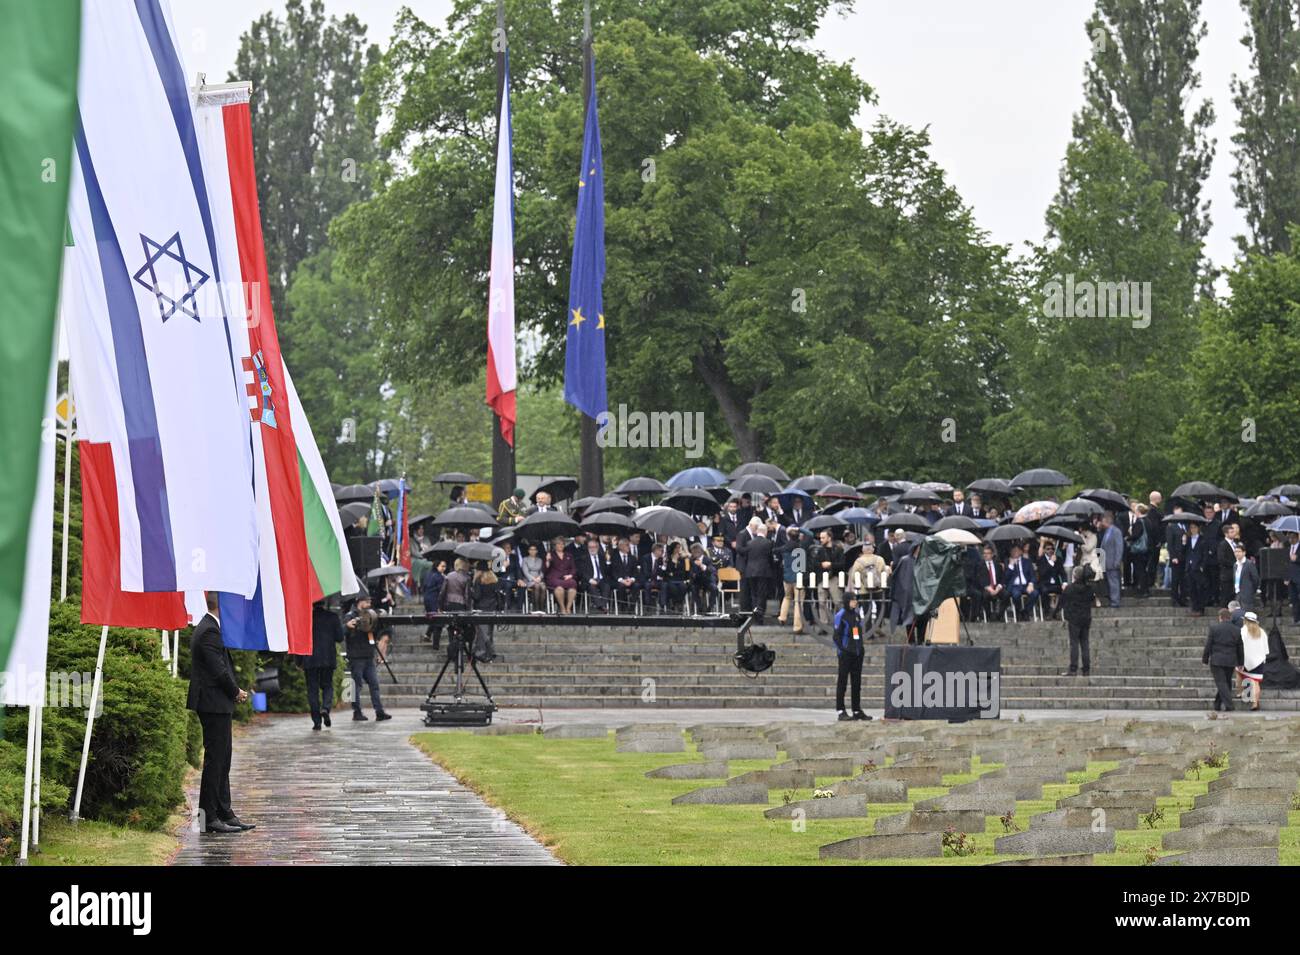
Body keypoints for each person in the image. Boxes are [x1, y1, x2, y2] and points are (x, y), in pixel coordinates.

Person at [187, 593, 253, 833]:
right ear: (221, 606)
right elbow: (218, 670)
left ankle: (225, 812)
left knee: (223, 759)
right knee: (215, 761)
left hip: (217, 703)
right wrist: (236, 691)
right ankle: (208, 817)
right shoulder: (209, 631)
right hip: (213, 703)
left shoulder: (209, 627)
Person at [343, 593, 391, 722]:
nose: (369, 604)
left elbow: (375, 632)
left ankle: (379, 712)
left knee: (374, 684)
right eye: (367, 601)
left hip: (368, 655)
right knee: (356, 686)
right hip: (356, 656)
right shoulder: (350, 616)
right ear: (360, 602)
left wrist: (378, 623)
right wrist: (350, 626)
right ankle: (356, 711)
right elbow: (343, 633)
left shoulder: (371, 614)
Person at [304, 601, 343, 730]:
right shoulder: (333, 617)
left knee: (312, 689)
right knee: (327, 685)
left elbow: (300, 638)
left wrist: (298, 661)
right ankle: (325, 708)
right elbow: (340, 637)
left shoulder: (306, 617)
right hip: (328, 657)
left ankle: (316, 721)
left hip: (309, 658)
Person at [832, 593, 871, 721]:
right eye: (853, 600)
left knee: (856, 683)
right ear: (847, 601)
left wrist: (860, 649)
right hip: (846, 654)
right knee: (842, 682)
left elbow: (857, 632)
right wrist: (843, 650)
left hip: (857, 653)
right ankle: (841, 710)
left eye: (856, 600)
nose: (855, 602)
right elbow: (836, 636)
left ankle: (856, 709)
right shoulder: (841, 615)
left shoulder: (856, 614)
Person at [1202, 608, 1244, 712]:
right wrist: (1241, 662)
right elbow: (1240, 647)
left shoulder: (1214, 628)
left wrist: (1205, 659)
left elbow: (1209, 644)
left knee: (1221, 682)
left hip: (1217, 659)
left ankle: (1229, 705)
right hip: (1230, 660)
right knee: (1226, 682)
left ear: (1220, 617)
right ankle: (1217, 704)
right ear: (1230, 617)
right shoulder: (1237, 630)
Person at [1059, 567, 1093, 677]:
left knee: (1074, 644)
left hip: (1074, 618)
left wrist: (1055, 613)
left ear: (1074, 576)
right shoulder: (1089, 589)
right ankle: (1086, 669)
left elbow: (1061, 602)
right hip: (1086, 618)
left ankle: (1073, 668)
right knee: (1085, 643)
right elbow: (1091, 600)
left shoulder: (1070, 588)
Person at [740, 523, 775, 622]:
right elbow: (770, 558)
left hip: (750, 571)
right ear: (765, 532)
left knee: (754, 593)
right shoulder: (769, 543)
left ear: (757, 532)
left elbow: (747, 557)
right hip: (763, 571)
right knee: (762, 594)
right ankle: (760, 614)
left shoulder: (749, 543)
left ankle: (754, 613)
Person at [776, 526, 807, 634]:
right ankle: (797, 626)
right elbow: (810, 535)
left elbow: (775, 551)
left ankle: (782, 617)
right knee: (798, 602)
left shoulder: (784, 548)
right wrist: (800, 529)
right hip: (798, 577)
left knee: (787, 597)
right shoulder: (801, 546)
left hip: (787, 577)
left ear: (788, 536)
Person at [1235, 611, 1268, 711]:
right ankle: (1255, 703)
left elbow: (1239, 646)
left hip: (1245, 660)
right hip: (1259, 660)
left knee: (1239, 674)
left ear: (1245, 620)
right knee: (1255, 682)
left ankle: (1241, 692)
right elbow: (1266, 648)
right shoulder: (1261, 632)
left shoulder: (1242, 631)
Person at [577, 537, 612, 612]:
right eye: (590, 547)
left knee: (606, 585)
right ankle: (601, 606)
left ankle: (601, 605)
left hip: (601, 579)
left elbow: (607, 572)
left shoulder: (602, 557)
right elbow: (582, 572)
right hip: (589, 580)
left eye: (594, 547)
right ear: (587, 548)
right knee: (592, 587)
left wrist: (608, 562)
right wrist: (590, 580)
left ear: (598, 547)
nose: (592, 549)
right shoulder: (583, 558)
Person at [544, 536, 578, 613]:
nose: (561, 546)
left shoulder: (569, 555)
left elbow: (574, 568)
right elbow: (545, 570)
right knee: (559, 588)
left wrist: (570, 575)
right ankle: (562, 608)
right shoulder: (550, 555)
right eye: (558, 544)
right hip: (554, 579)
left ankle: (568, 608)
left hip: (566, 578)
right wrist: (547, 561)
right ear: (555, 545)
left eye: (562, 544)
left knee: (573, 584)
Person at [1005, 544, 1038, 621]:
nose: (1015, 552)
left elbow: (1033, 575)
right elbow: (1006, 578)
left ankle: (1025, 611)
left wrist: (1031, 584)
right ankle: (1018, 611)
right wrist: (1011, 566)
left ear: (1021, 552)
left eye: (1017, 551)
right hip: (1015, 586)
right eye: (1013, 551)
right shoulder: (1007, 561)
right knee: (1016, 595)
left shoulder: (1027, 561)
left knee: (1035, 593)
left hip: (1026, 585)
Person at [608, 538, 642, 612]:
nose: (629, 547)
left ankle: (632, 607)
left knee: (637, 585)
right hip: (619, 580)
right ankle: (623, 606)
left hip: (630, 580)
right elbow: (613, 572)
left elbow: (635, 572)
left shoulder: (632, 558)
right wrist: (622, 580)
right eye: (627, 545)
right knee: (621, 586)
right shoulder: (614, 558)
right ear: (621, 546)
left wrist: (631, 579)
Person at [1184, 521, 1210, 616]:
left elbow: (1205, 554)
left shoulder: (1203, 540)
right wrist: (1183, 542)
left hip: (1198, 567)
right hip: (1190, 567)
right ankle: (1194, 607)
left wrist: (1202, 566)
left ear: (1198, 528)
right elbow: (1185, 552)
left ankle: (1200, 608)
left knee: (1200, 588)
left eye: (1194, 527)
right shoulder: (1188, 539)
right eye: (1191, 528)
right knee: (1191, 588)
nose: (1193, 529)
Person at [975, 544, 1007, 621]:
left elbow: (1002, 579)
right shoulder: (979, 565)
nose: (985, 555)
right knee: (985, 596)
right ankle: (989, 615)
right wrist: (989, 588)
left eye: (988, 553)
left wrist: (998, 588)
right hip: (986, 587)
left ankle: (1000, 614)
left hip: (997, 587)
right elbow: (979, 579)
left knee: (1006, 594)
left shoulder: (998, 565)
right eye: (984, 553)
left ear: (992, 554)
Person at [1099, 512, 1124, 608]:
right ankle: (1112, 599)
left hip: (1113, 562)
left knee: (1114, 582)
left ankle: (1115, 601)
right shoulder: (1106, 532)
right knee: (1109, 582)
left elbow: (1119, 547)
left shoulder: (1116, 531)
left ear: (1106, 520)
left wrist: (1117, 561)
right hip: (1106, 562)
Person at [421, 558, 446, 647]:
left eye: (445, 566)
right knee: (438, 621)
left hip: (427, 599)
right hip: (435, 600)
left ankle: (427, 635)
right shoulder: (439, 577)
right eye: (442, 566)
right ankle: (436, 644)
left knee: (433, 618)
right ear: (437, 566)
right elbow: (441, 591)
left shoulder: (428, 574)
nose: (444, 568)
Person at [1232, 542, 1260, 611]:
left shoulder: (1249, 564)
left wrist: (1251, 590)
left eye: (1239, 551)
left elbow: (1255, 579)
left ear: (1244, 553)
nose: (1237, 554)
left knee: (1247, 615)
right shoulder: (1235, 565)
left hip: (1247, 594)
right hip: (1238, 594)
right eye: (1235, 552)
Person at [519, 542, 547, 610]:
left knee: (543, 587)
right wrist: (534, 579)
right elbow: (525, 572)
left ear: (537, 551)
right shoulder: (525, 559)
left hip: (538, 579)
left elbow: (542, 571)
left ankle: (542, 606)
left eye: (534, 549)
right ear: (528, 551)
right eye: (531, 549)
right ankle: (536, 607)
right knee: (537, 586)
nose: (532, 551)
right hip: (529, 579)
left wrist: (540, 577)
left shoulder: (540, 560)